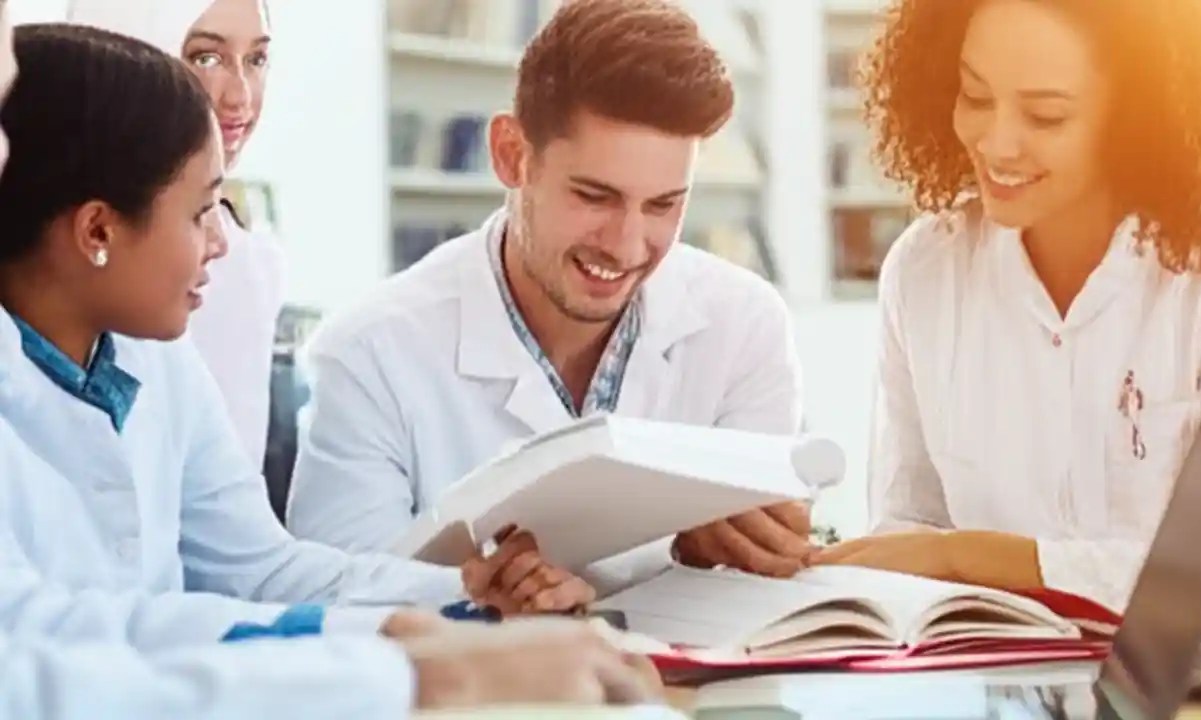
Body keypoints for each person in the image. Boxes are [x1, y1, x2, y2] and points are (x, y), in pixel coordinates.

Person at [286, 0, 814, 616]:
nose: (626, 244)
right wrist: (482, 602)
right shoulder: (368, 351)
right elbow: (335, 599)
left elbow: (761, 590)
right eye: (595, 196)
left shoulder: (745, 323)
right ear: (513, 155)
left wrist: (717, 547)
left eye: (664, 205)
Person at [0, 21, 476, 649]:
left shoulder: (157, 357)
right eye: (202, 212)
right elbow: (50, 642)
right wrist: (397, 643)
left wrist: (467, 593)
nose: (221, 242)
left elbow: (259, 569)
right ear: (98, 232)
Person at [815, 0, 1201, 612]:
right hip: (983, 685)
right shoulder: (925, 269)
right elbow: (907, 527)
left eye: (1046, 114)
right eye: (976, 97)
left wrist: (965, 557)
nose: (997, 142)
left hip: (1191, 695)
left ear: (1139, 116)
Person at [67, 0, 285, 471]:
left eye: (256, 59)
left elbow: (229, 522)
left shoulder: (241, 265)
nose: (240, 98)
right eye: (206, 57)